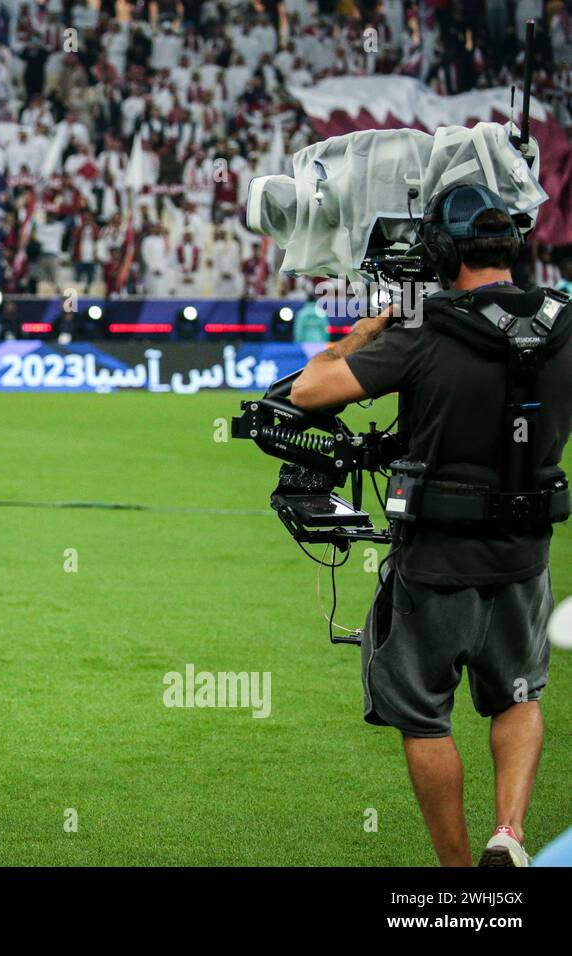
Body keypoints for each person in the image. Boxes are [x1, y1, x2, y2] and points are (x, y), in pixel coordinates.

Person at [289, 183, 572, 867]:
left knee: (423, 713)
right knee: (517, 695)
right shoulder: (566, 324)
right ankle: (508, 833)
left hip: (438, 559)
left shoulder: (425, 329)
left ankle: (456, 877)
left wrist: (363, 332)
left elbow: (307, 392)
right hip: (526, 555)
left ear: (443, 251)